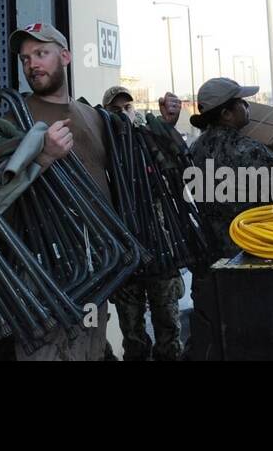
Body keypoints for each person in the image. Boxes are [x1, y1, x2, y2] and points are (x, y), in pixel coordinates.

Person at [184, 76, 273, 360]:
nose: (247, 107)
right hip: (248, 264)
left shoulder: (191, 153)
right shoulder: (251, 151)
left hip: (206, 266)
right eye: (241, 103)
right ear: (226, 113)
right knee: (253, 341)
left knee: (212, 339)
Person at [7, 22, 103, 360]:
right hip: (39, 267)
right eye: (24, 58)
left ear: (64, 56)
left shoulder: (92, 117)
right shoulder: (13, 116)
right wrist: (43, 155)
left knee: (89, 350)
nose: (32, 64)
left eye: (41, 53)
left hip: (97, 264)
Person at [103, 85, 186, 361]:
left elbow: (180, 166)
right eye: (115, 110)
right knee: (133, 337)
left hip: (160, 247)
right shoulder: (104, 149)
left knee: (169, 330)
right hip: (126, 254)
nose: (123, 114)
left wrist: (168, 126)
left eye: (127, 108)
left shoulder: (148, 139)